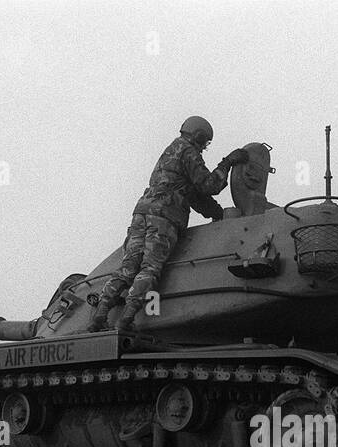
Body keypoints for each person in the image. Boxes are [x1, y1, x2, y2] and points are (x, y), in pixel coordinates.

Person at [89, 116, 249, 332]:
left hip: (142, 212)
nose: (204, 147)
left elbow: (190, 192)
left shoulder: (170, 152)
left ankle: (100, 314)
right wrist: (227, 162)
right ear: (199, 136)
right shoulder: (188, 151)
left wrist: (216, 212)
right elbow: (208, 185)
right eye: (205, 142)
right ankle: (126, 319)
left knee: (128, 267)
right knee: (150, 268)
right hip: (163, 218)